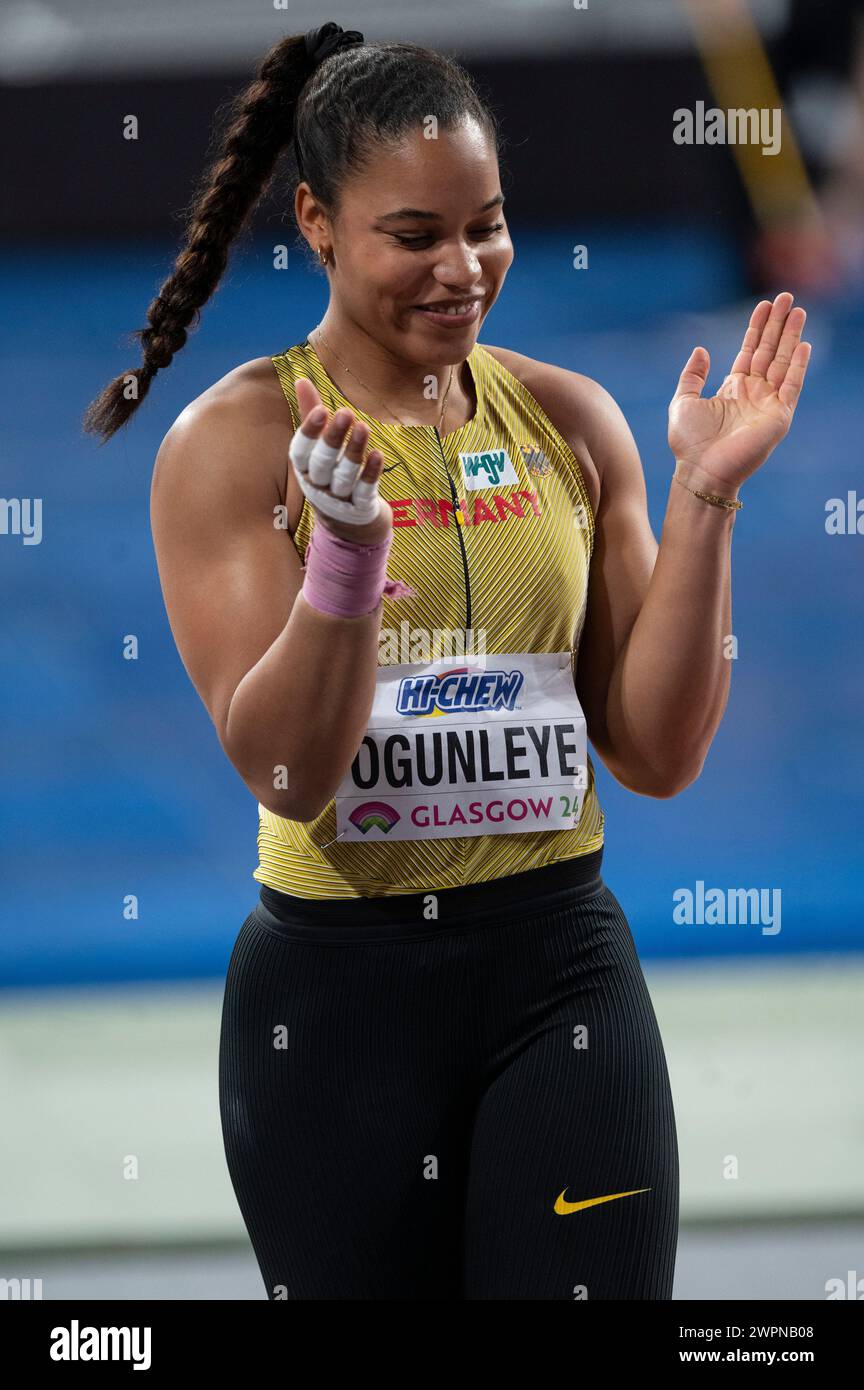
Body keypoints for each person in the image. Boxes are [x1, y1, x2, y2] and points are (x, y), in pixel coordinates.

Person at [83, 23, 811, 1301]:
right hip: (339, 1007)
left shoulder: (572, 421)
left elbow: (655, 751)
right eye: (414, 236)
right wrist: (346, 564)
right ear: (316, 221)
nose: (463, 270)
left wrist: (703, 494)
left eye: (487, 225)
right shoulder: (235, 443)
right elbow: (290, 769)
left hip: (560, 977)